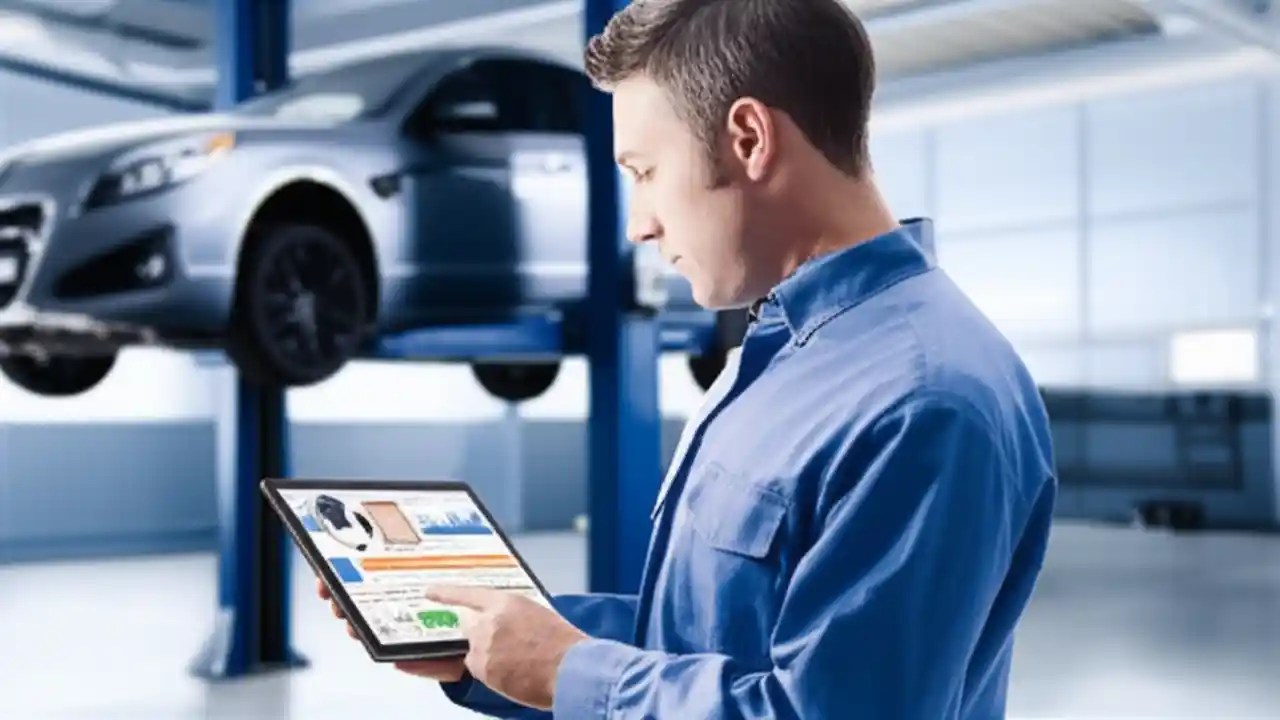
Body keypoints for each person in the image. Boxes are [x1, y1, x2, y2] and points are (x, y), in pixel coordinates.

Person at [319, 0, 1058, 716]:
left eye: (643, 172)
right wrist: (497, 640)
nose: (638, 225)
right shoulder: (781, 351)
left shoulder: (922, 403)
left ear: (749, 139)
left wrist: (569, 673)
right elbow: (706, 637)